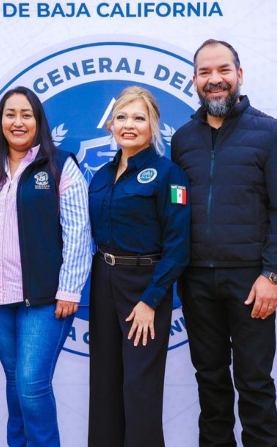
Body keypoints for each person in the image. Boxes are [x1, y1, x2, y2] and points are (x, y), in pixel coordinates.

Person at [171, 39, 277, 446]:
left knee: (254, 383)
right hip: (196, 282)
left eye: (223, 70)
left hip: (251, 281)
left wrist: (272, 274)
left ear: (239, 75)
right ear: (194, 80)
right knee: (210, 383)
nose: (215, 80)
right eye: (205, 72)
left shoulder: (271, 133)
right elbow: (177, 208)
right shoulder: (183, 139)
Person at [0, 86, 91, 447]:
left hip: (44, 300)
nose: (18, 121)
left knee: (31, 385)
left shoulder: (60, 165)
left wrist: (70, 289)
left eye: (26, 114)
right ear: (1, 122)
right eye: (10, 114)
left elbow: (78, 231)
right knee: (15, 384)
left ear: (38, 121)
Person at [88, 86, 190, 446]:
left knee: (139, 388)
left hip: (145, 286)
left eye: (138, 117)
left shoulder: (168, 174)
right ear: (111, 126)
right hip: (103, 280)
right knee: (104, 383)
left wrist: (150, 300)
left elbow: (178, 247)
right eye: (122, 117)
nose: (129, 125)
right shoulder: (100, 176)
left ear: (153, 126)